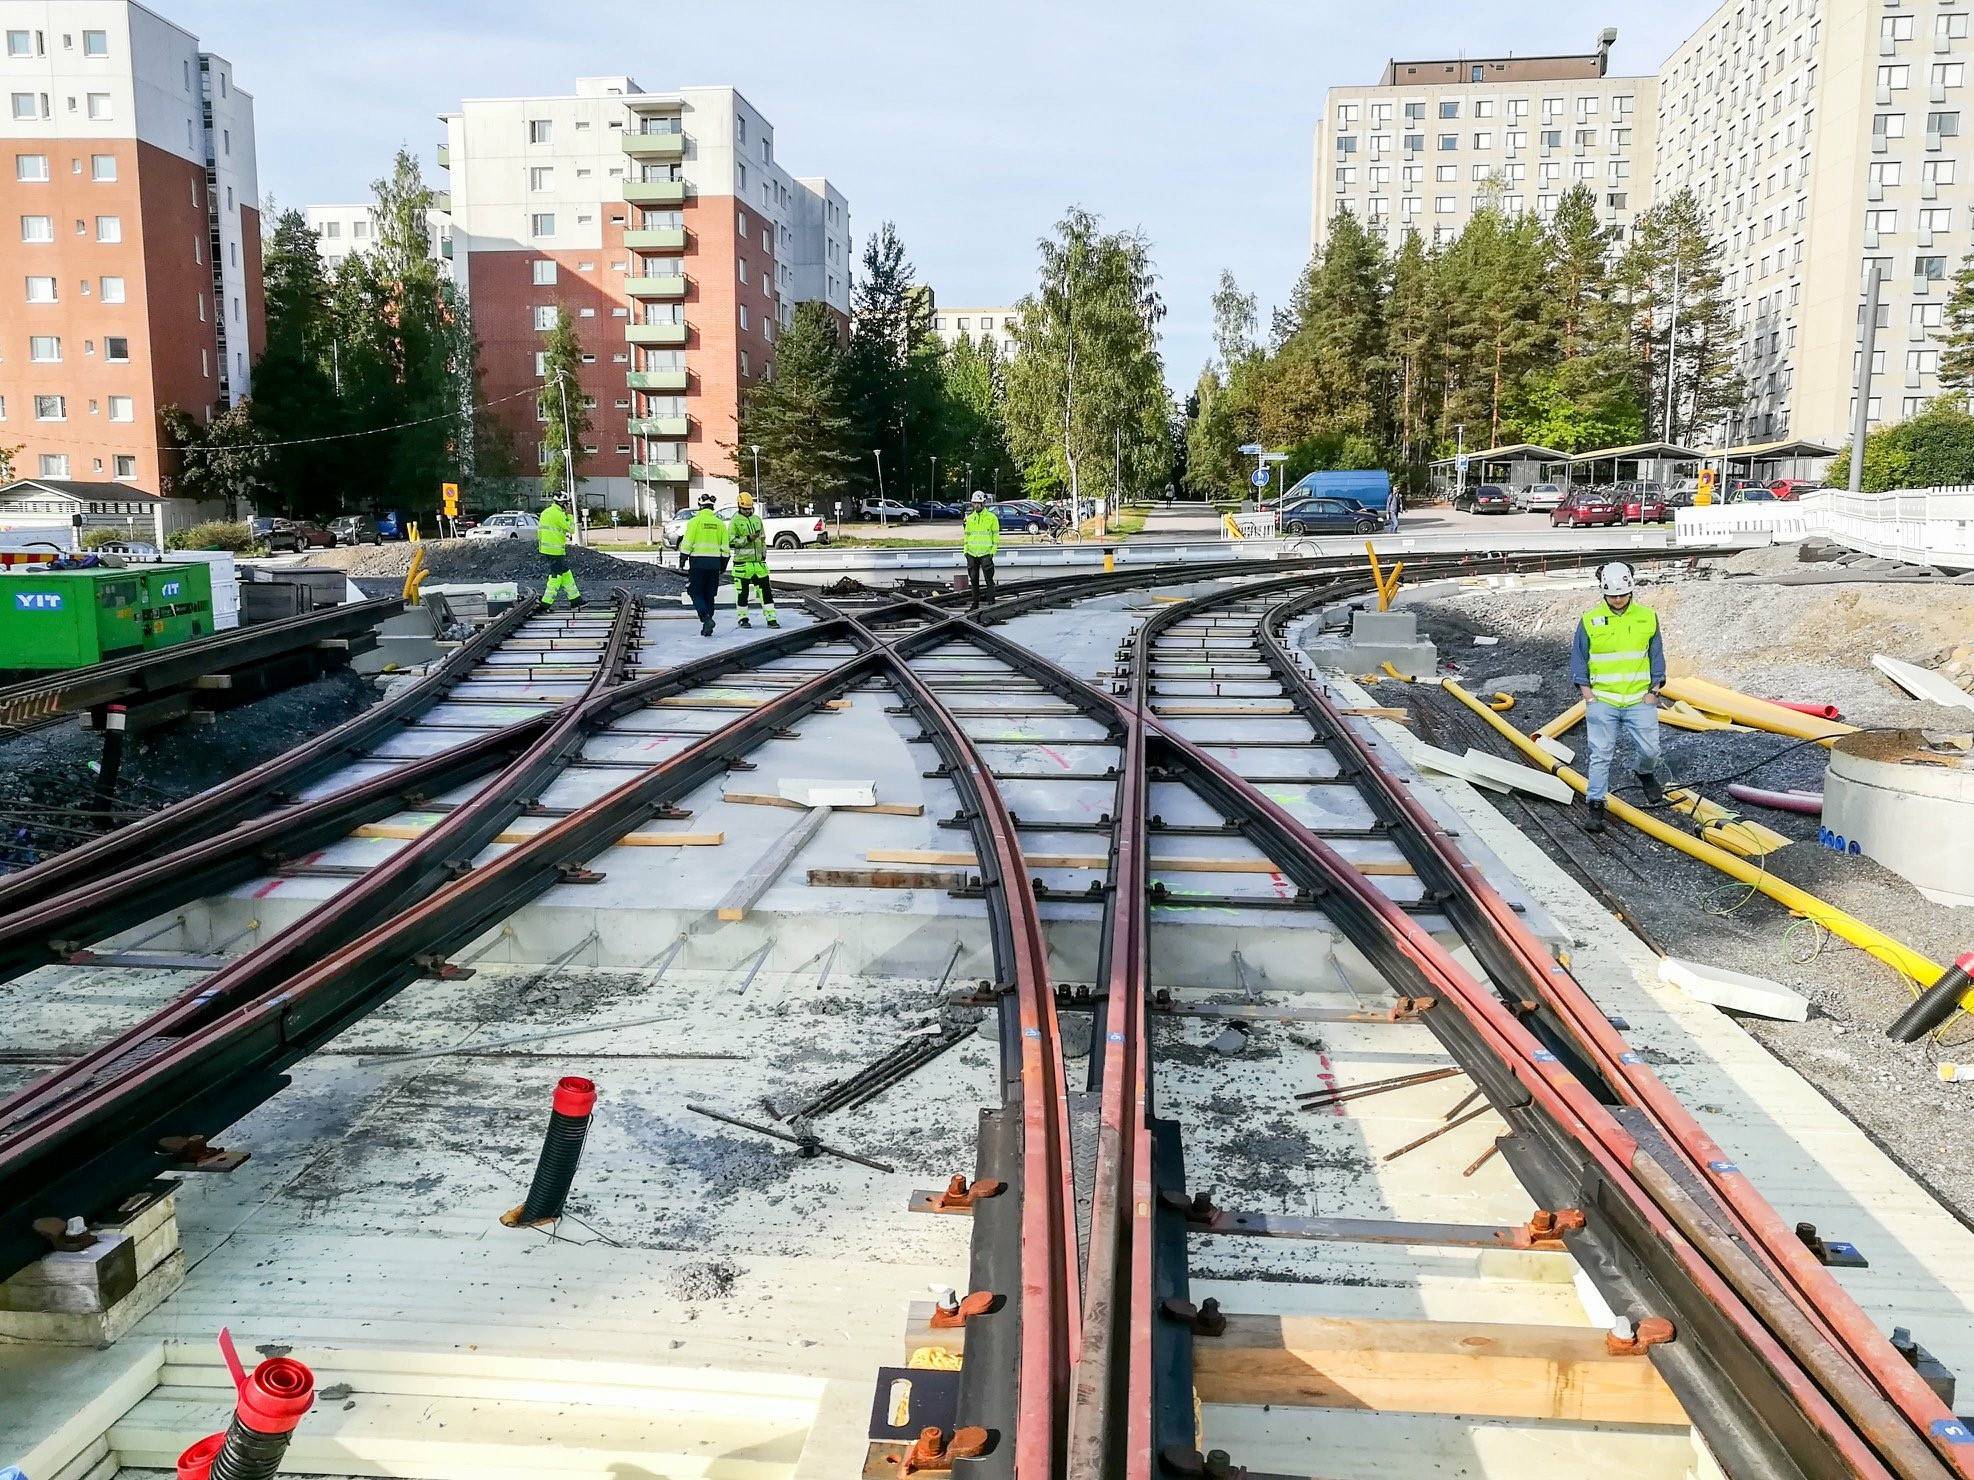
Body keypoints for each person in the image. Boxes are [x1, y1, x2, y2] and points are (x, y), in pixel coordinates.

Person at [1572, 561, 1672, 832]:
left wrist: (1654, 691)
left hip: (1640, 699)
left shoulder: (1647, 617)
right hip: (1603, 700)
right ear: (1603, 592)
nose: (1617, 600)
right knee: (1600, 754)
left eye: (1622, 594)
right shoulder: (1590, 621)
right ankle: (1595, 804)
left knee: (1651, 749)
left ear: (1631, 590)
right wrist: (1588, 696)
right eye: (1612, 595)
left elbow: (1656, 655)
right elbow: (1579, 660)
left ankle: (1644, 771)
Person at [676, 491, 730, 636]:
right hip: (714, 564)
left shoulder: (694, 522)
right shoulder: (720, 524)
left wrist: (682, 562)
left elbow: (687, 544)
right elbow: (725, 549)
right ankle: (708, 626)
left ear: (700, 505)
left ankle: (706, 619)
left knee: (695, 592)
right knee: (709, 595)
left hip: (698, 563)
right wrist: (723, 567)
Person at [726, 491, 778, 629]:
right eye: (745, 509)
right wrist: (747, 539)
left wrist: (763, 554)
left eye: (749, 509)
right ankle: (743, 618)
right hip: (742, 564)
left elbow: (762, 539)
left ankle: (771, 618)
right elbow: (731, 542)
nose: (748, 511)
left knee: (766, 592)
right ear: (739, 507)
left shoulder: (756, 520)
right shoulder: (735, 522)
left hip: (759, 564)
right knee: (742, 594)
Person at [537, 493, 583, 609]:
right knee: (556, 576)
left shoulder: (545, 513)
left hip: (546, 549)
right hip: (556, 550)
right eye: (567, 504)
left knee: (566, 573)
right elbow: (571, 529)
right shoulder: (558, 515)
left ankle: (575, 599)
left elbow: (539, 533)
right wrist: (570, 515)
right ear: (563, 503)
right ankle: (546, 603)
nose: (568, 506)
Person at [962, 491, 1000, 609]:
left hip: (986, 553)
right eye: (974, 503)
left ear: (983, 503)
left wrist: (993, 551)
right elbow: (967, 535)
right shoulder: (970, 518)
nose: (976, 505)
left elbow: (995, 535)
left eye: (978, 503)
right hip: (972, 553)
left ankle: (991, 601)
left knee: (989, 578)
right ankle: (975, 603)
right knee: (973, 580)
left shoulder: (991, 518)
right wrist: (966, 551)